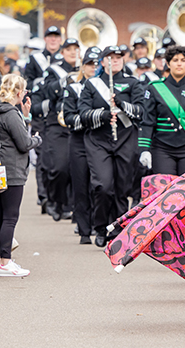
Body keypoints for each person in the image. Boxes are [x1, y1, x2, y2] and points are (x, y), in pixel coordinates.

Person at [78, 46, 145, 247]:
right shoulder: (92, 84)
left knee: (122, 187)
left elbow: (142, 112)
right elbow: (83, 114)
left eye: (118, 58)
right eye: (110, 58)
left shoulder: (133, 83)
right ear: (102, 61)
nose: (115, 61)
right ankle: (100, 227)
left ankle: (118, 228)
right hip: (98, 141)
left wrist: (123, 104)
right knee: (103, 186)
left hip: (125, 139)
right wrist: (104, 114)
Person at [0, 74, 40, 276]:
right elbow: (24, 143)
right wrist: (37, 140)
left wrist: (25, 117)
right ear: (19, 93)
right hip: (13, 169)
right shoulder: (10, 113)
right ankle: (5, 261)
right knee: (10, 217)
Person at [139, 45, 185, 176]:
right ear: (168, 64)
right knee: (165, 191)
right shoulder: (155, 88)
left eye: (183, 60)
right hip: (162, 148)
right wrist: (144, 149)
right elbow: (148, 122)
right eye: (175, 60)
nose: (179, 64)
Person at [32, 37, 80, 220]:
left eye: (76, 49)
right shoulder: (53, 70)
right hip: (56, 123)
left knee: (73, 167)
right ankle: (53, 200)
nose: (73, 52)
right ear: (63, 51)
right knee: (58, 167)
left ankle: (68, 204)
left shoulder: (85, 70)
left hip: (76, 122)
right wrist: (63, 82)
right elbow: (46, 92)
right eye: (69, 49)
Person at [66, 48, 101, 244]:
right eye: (90, 64)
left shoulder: (106, 86)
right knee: (80, 185)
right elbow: (69, 117)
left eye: (97, 64)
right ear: (83, 66)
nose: (93, 67)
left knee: (99, 184)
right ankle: (84, 229)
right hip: (79, 139)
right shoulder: (73, 88)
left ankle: (99, 223)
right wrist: (92, 118)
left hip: (99, 139)